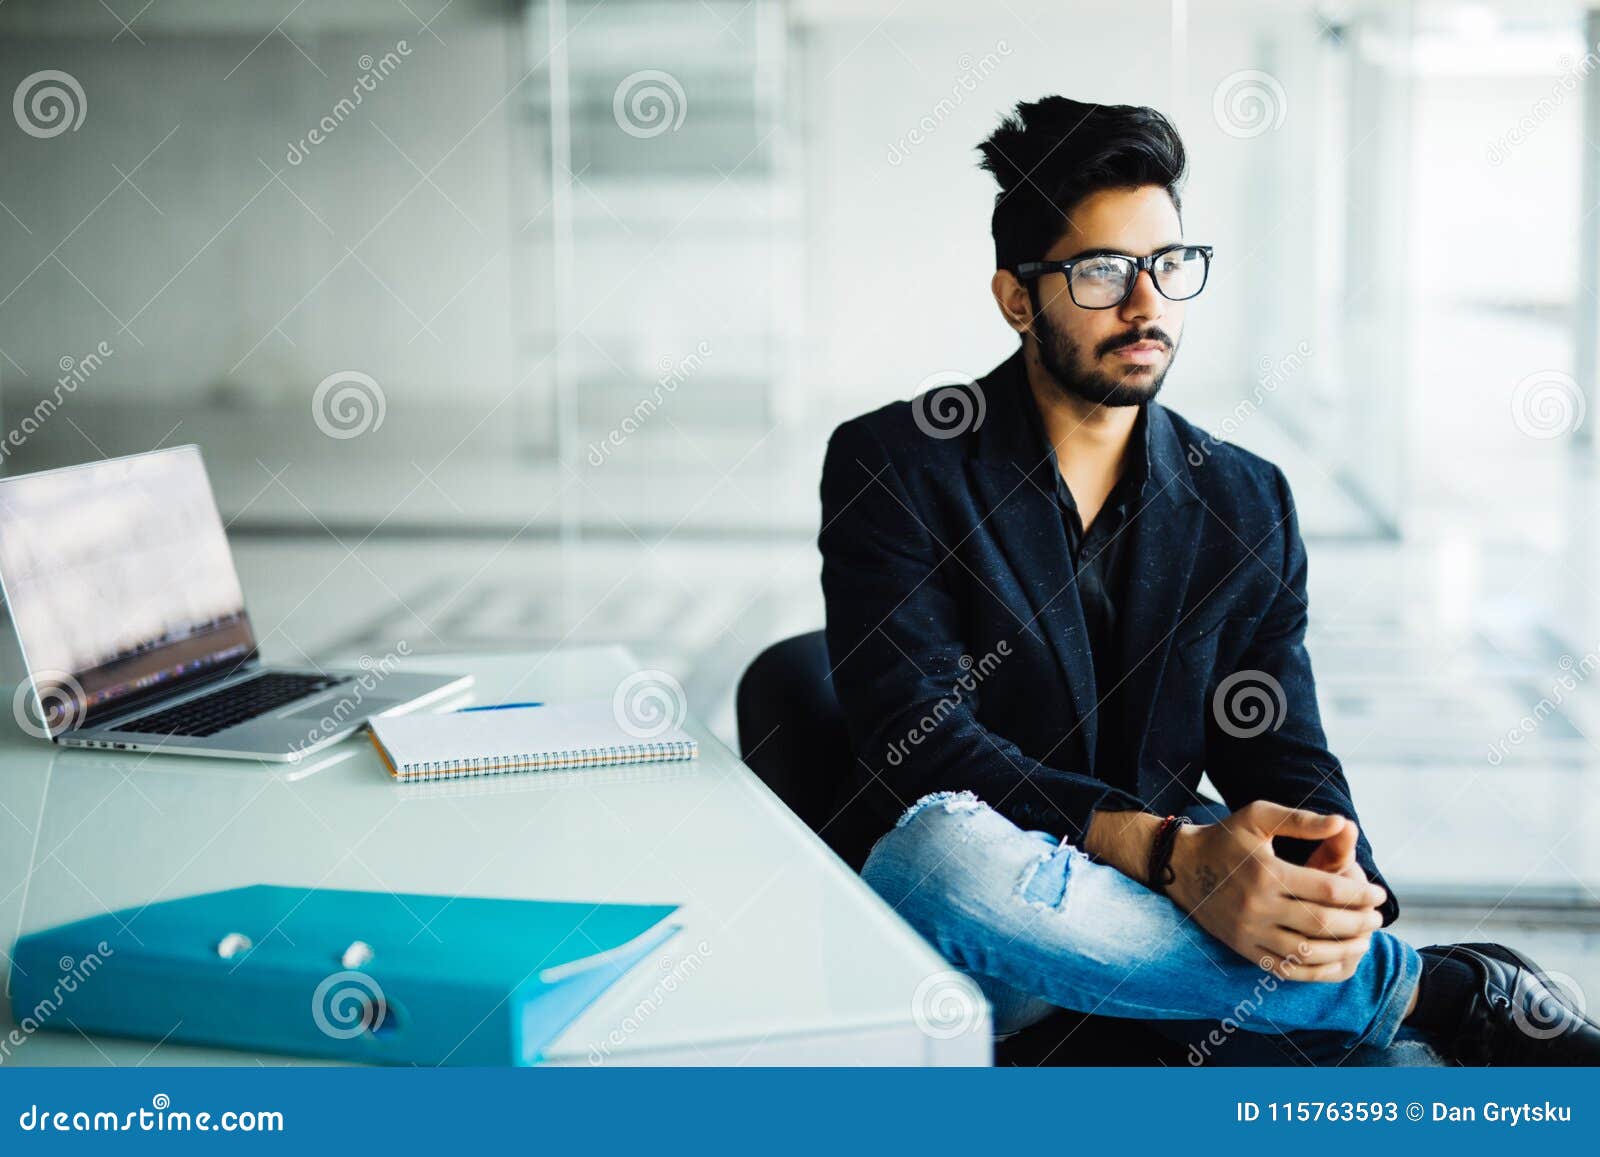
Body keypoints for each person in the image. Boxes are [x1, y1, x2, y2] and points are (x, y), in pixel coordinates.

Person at [818, 95, 1599, 1065]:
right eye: (1102, 272)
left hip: (1146, 922)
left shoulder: (1242, 497)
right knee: (942, 854)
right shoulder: (897, 463)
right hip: (985, 928)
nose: (1147, 304)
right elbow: (918, 741)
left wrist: (1336, 886)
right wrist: (1169, 851)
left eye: (1169, 265)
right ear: (1017, 298)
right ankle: (1431, 987)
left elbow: (1277, 745)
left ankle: (1361, 986)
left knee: (1357, 1017)